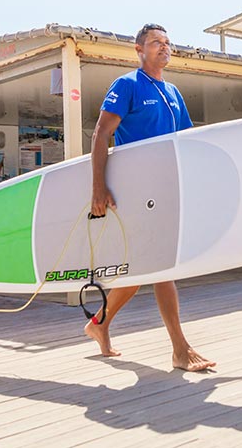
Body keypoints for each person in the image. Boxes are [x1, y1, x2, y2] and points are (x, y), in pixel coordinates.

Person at [85, 23, 216, 372]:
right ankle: (179, 349)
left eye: (167, 43)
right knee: (163, 266)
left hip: (167, 188)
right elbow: (101, 133)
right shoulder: (128, 85)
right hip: (137, 190)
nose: (164, 47)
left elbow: (186, 140)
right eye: (156, 42)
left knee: (146, 268)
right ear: (139, 50)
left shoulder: (173, 91)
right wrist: (98, 187)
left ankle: (98, 325)